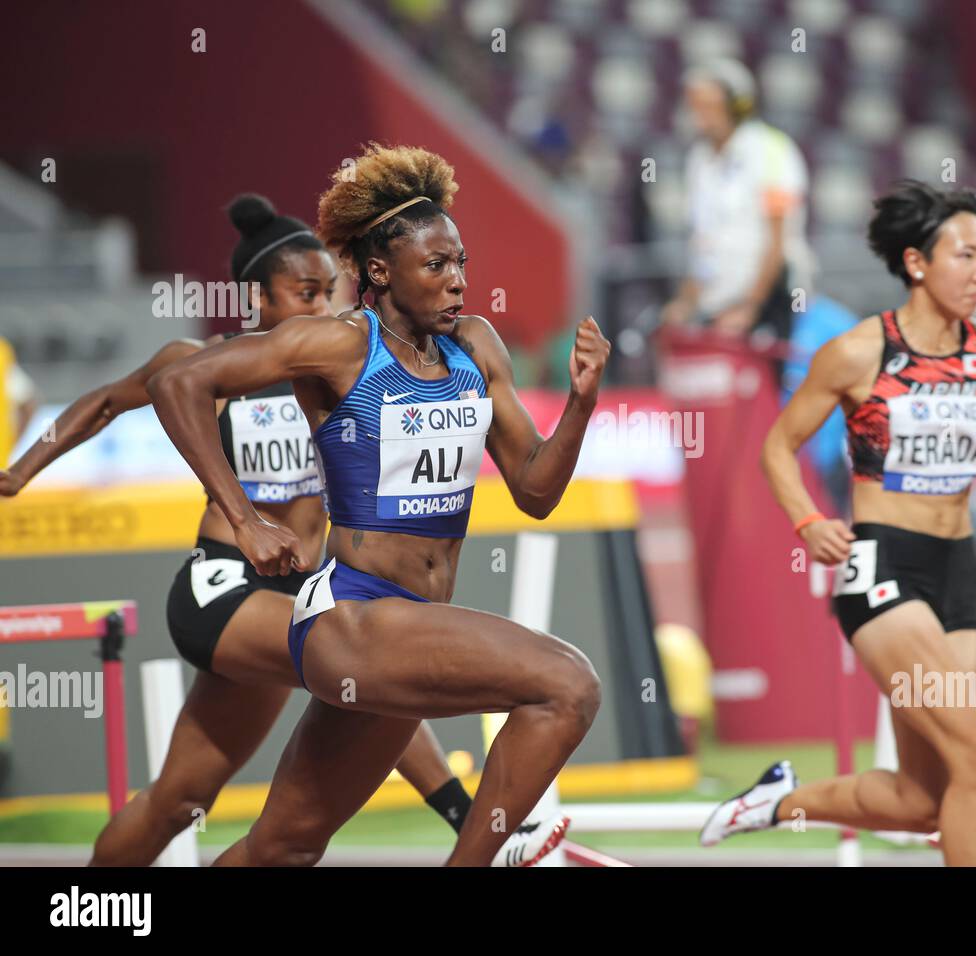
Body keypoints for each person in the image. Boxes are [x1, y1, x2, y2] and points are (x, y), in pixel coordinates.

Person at [0, 194, 563, 865]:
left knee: (179, 801)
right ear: (256, 300)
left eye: (329, 290)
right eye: (304, 292)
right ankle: (468, 821)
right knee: (380, 667)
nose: (321, 306)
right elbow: (100, 405)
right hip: (224, 588)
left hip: (297, 588)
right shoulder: (217, 361)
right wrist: (18, 471)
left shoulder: (340, 365)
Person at [147, 144, 608, 866]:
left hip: (405, 636)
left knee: (286, 847)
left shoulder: (476, 347)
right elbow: (178, 385)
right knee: (568, 685)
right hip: (352, 619)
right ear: (381, 272)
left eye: (461, 262)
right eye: (437, 266)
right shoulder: (338, 347)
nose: (458, 281)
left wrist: (579, 407)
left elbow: (537, 492)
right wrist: (244, 518)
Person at [699, 181, 976, 865]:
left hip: (956, 573)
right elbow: (777, 446)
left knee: (923, 797)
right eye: (964, 255)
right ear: (918, 263)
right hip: (883, 571)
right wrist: (808, 519)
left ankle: (775, 802)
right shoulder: (857, 353)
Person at [660, 59, 815, 357]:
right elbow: (702, 241)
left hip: (768, 301)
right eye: (694, 105)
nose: (698, 115)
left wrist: (750, 307)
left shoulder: (771, 149)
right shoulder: (699, 160)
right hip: (717, 307)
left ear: (738, 105)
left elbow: (779, 241)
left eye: (708, 105)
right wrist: (686, 301)